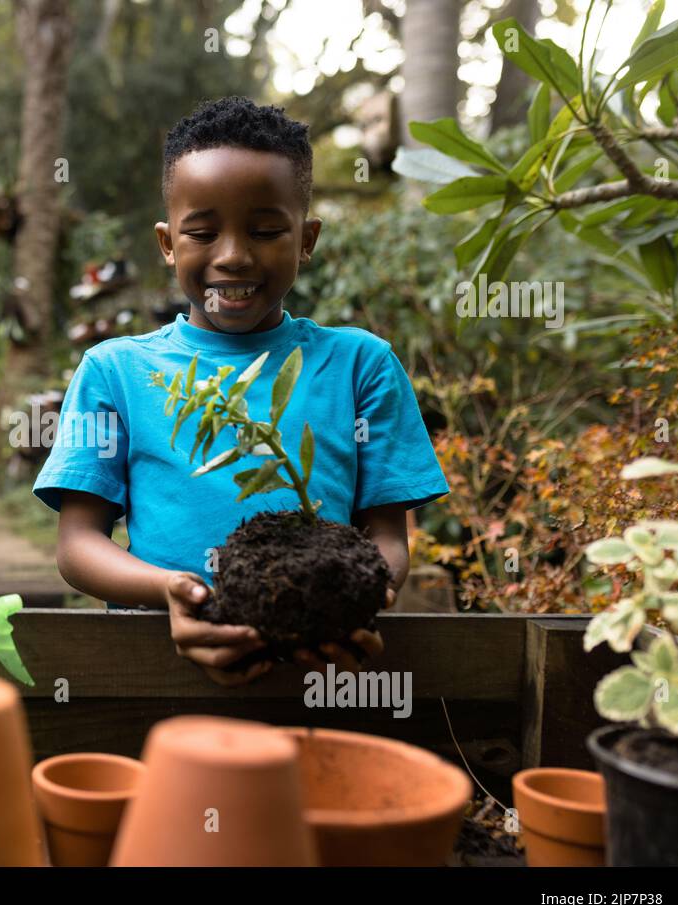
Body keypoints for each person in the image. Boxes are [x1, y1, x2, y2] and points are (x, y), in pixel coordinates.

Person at [33, 95, 449, 686]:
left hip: (319, 673)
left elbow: (387, 538)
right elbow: (77, 544)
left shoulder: (361, 365)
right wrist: (175, 592)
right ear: (167, 243)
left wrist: (352, 598)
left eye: (266, 230)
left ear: (306, 239)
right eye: (202, 232)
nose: (233, 256)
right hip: (155, 668)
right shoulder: (115, 371)